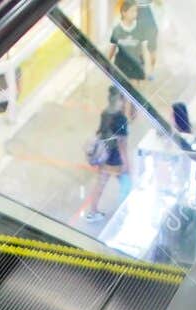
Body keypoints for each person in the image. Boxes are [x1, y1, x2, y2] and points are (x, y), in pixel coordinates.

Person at [81, 87, 131, 222]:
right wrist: (126, 163)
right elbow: (122, 144)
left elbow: (100, 132)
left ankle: (92, 212)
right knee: (126, 185)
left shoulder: (105, 113)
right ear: (120, 100)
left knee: (100, 185)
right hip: (116, 159)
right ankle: (123, 212)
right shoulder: (121, 118)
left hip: (104, 156)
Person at [108, 2, 150, 87]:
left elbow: (145, 50)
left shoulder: (140, 29)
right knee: (121, 91)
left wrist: (147, 69)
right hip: (121, 67)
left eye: (136, 11)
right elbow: (112, 49)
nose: (135, 14)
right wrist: (106, 63)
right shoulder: (117, 30)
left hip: (136, 66)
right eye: (132, 11)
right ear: (124, 12)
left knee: (134, 92)